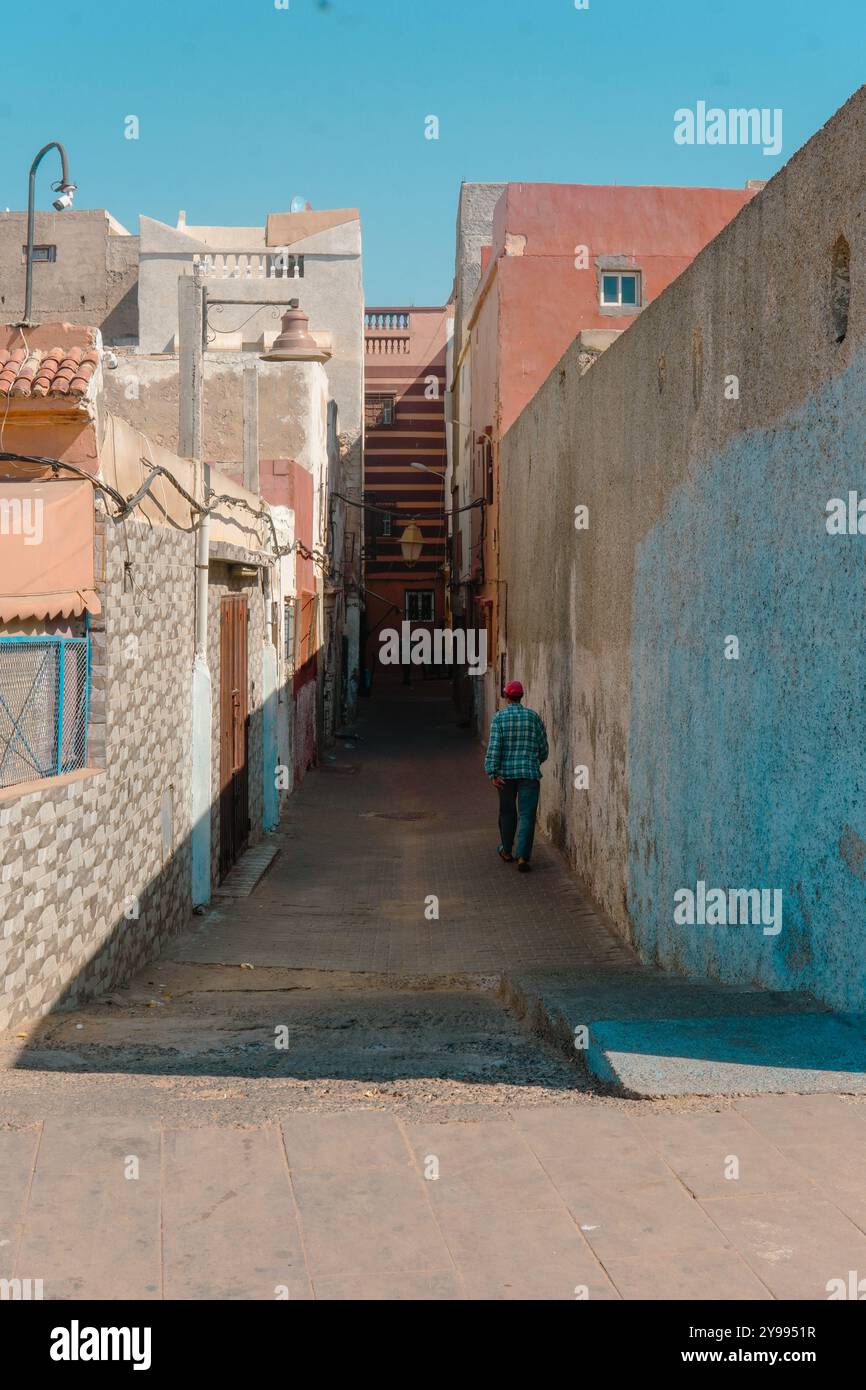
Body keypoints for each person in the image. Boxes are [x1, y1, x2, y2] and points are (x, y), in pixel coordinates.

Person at [484, 680, 548, 873]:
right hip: (529, 774)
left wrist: (492, 772)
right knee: (527, 815)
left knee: (507, 813)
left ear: (506, 697)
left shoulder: (499, 718)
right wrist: (533, 761)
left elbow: (494, 748)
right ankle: (523, 857)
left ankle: (506, 851)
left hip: (506, 776)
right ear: (521, 696)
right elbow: (543, 748)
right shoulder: (533, 717)